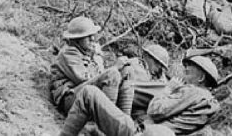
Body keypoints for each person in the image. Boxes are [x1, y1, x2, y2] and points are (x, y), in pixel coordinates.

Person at [57, 56, 221, 136]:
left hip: (141, 134)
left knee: (89, 93)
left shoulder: (192, 91)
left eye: (188, 71)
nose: (184, 74)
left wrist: (167, 90)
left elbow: (155, 110)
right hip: (149, 131)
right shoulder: (207, 100)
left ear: (200, 78)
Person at [49, 17, 134, 119]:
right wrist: (114, 67)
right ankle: (107, 122)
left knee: (126, 71)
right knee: (112, 74)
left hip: (85, 94)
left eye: (92, 35)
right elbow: (84, 78)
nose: (92, 39)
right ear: (77, 39)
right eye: (87, 36)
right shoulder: (68, 53)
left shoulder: (87, 52)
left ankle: (125, 122)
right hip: (70, 99)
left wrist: (97, 57)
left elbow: (100, 75)